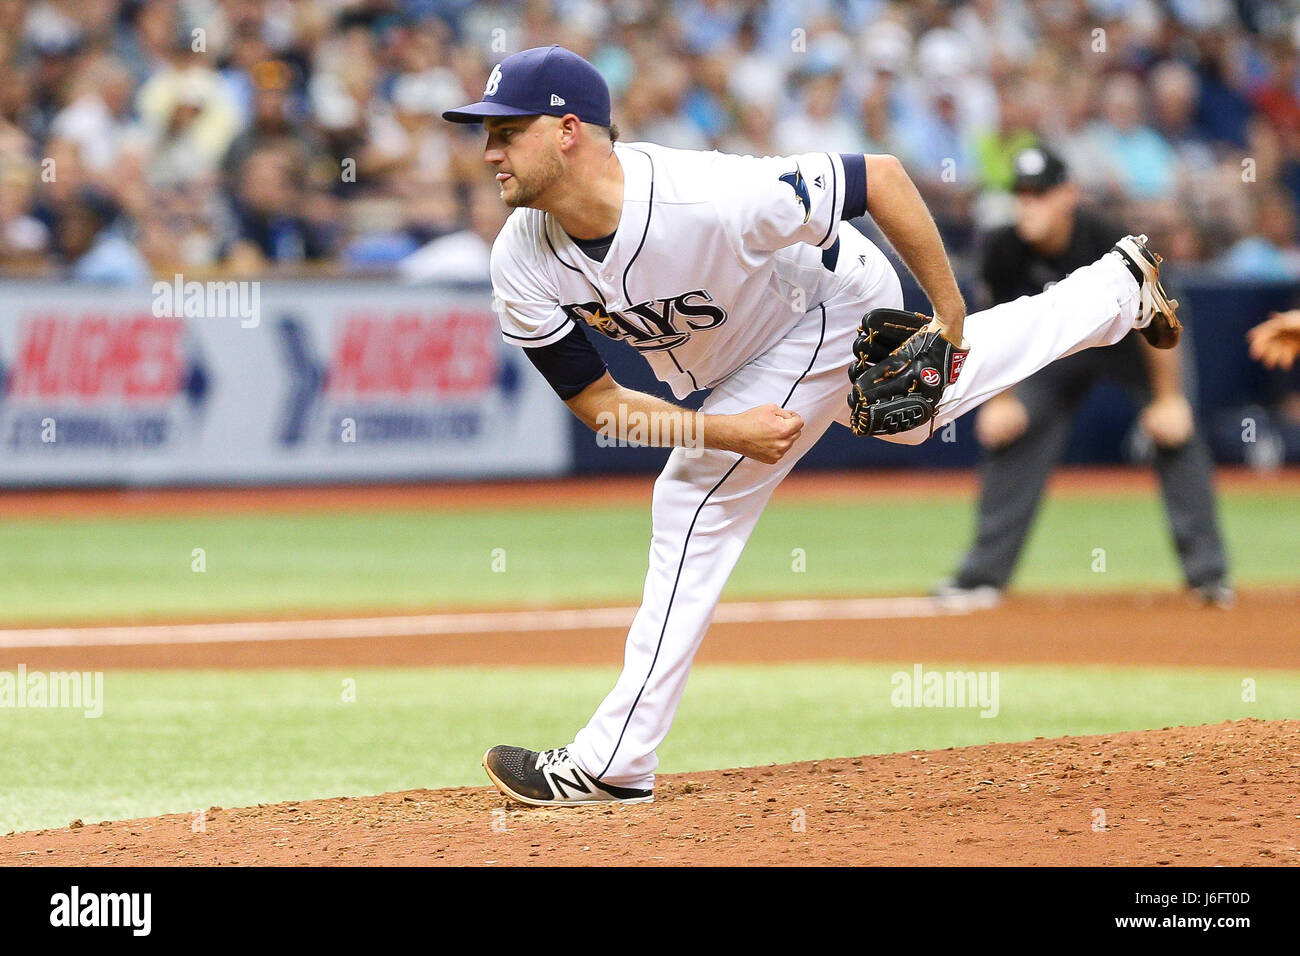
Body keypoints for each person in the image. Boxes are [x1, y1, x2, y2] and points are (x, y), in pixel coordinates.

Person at [443, 48, 1182, 807]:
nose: (489, 150)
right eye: (485, 134)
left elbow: (882, 176)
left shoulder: (710, 197)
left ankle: (614, 761)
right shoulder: (521, 259)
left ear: (569, 131)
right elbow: (597, 403)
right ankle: (1117, 289)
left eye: (507, 130)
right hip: (737, 355)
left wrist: (947, 312)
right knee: (913, 419)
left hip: (820, 302)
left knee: (692, 502)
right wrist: (727, 431)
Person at [937, 147, 1232, 609]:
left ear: (1068, 195)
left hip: (1137, 345)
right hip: (1063, 350)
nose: (1027, 204)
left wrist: (1169, 398)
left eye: (1040, 193)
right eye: (1021, 194)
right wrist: (999, 399)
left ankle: (1208, 576)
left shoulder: (1109, 238)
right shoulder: (1002, 247)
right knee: (1015, 426)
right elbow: (997, 325)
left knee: (1175, 430)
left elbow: (1161, 321)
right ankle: (982, 577)